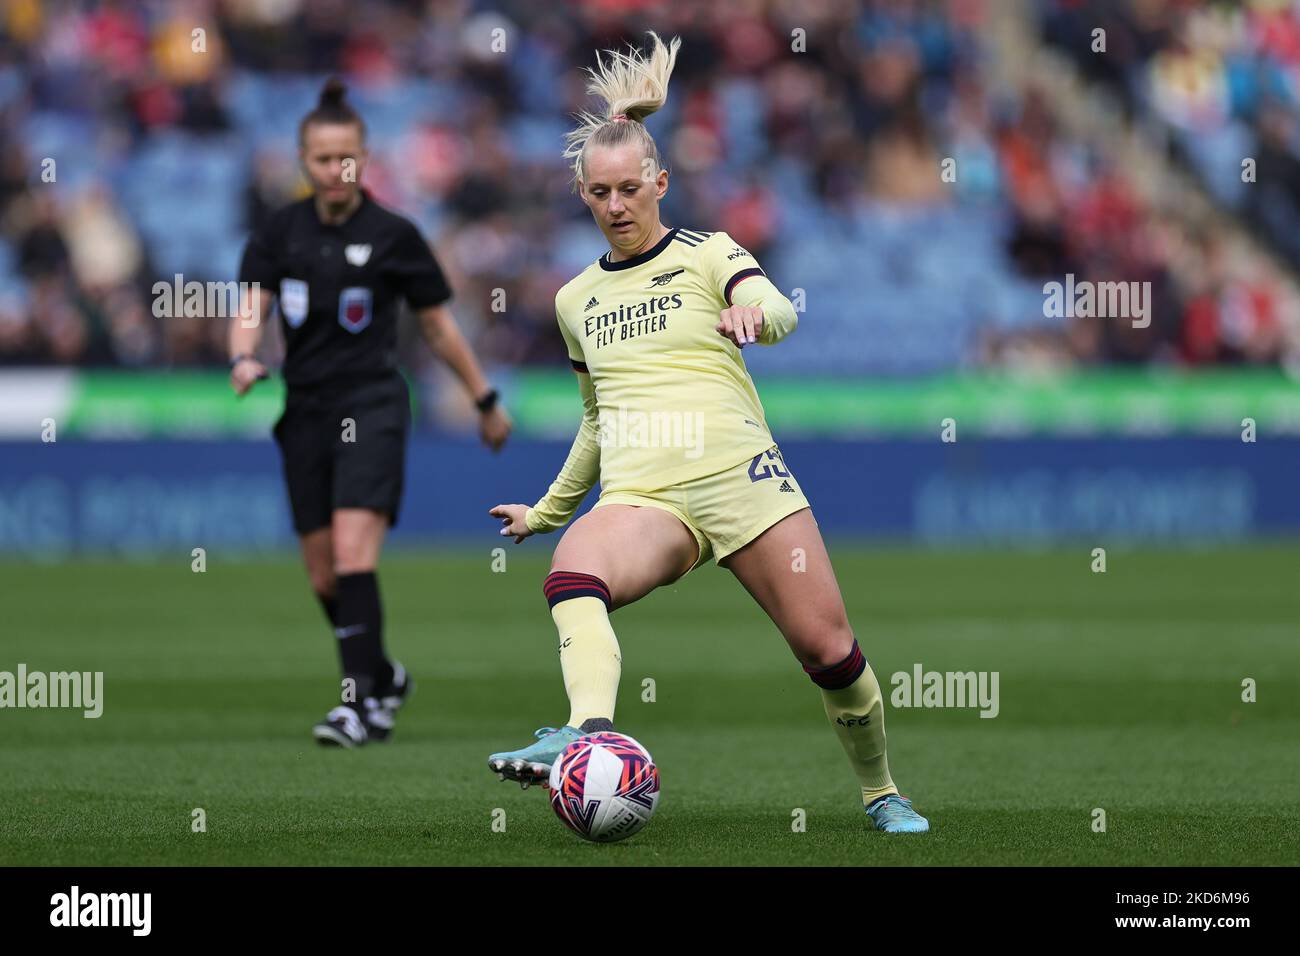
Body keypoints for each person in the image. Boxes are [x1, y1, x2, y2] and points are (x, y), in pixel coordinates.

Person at [487, 34, 928, 832]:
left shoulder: (708, 253)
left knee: (830, 652)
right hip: (645, 497)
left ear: (660, 181)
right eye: (598, 193)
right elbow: (598, 419)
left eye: (629, 188)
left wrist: (757, 312)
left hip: (742, 482)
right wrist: (549, 511)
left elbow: (786, 313)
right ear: (581, 196)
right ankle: (584, 735)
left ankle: (880, 791)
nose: (615, 205)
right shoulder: (574, 299)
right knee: (572, 568)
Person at [231, 78, 512, 747]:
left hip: (374, 406)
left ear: (364, 157)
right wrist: (244, 357)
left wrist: (484, 399)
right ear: (304, 161)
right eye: (323, 158)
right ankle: (382, 674)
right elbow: (251, 307)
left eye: (347, 157)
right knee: (324, 574)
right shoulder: (277, 234)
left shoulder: (394, 236)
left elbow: (439, 328)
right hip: (304, 410)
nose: (336, 169)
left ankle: (358, 705)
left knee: (356, 554)